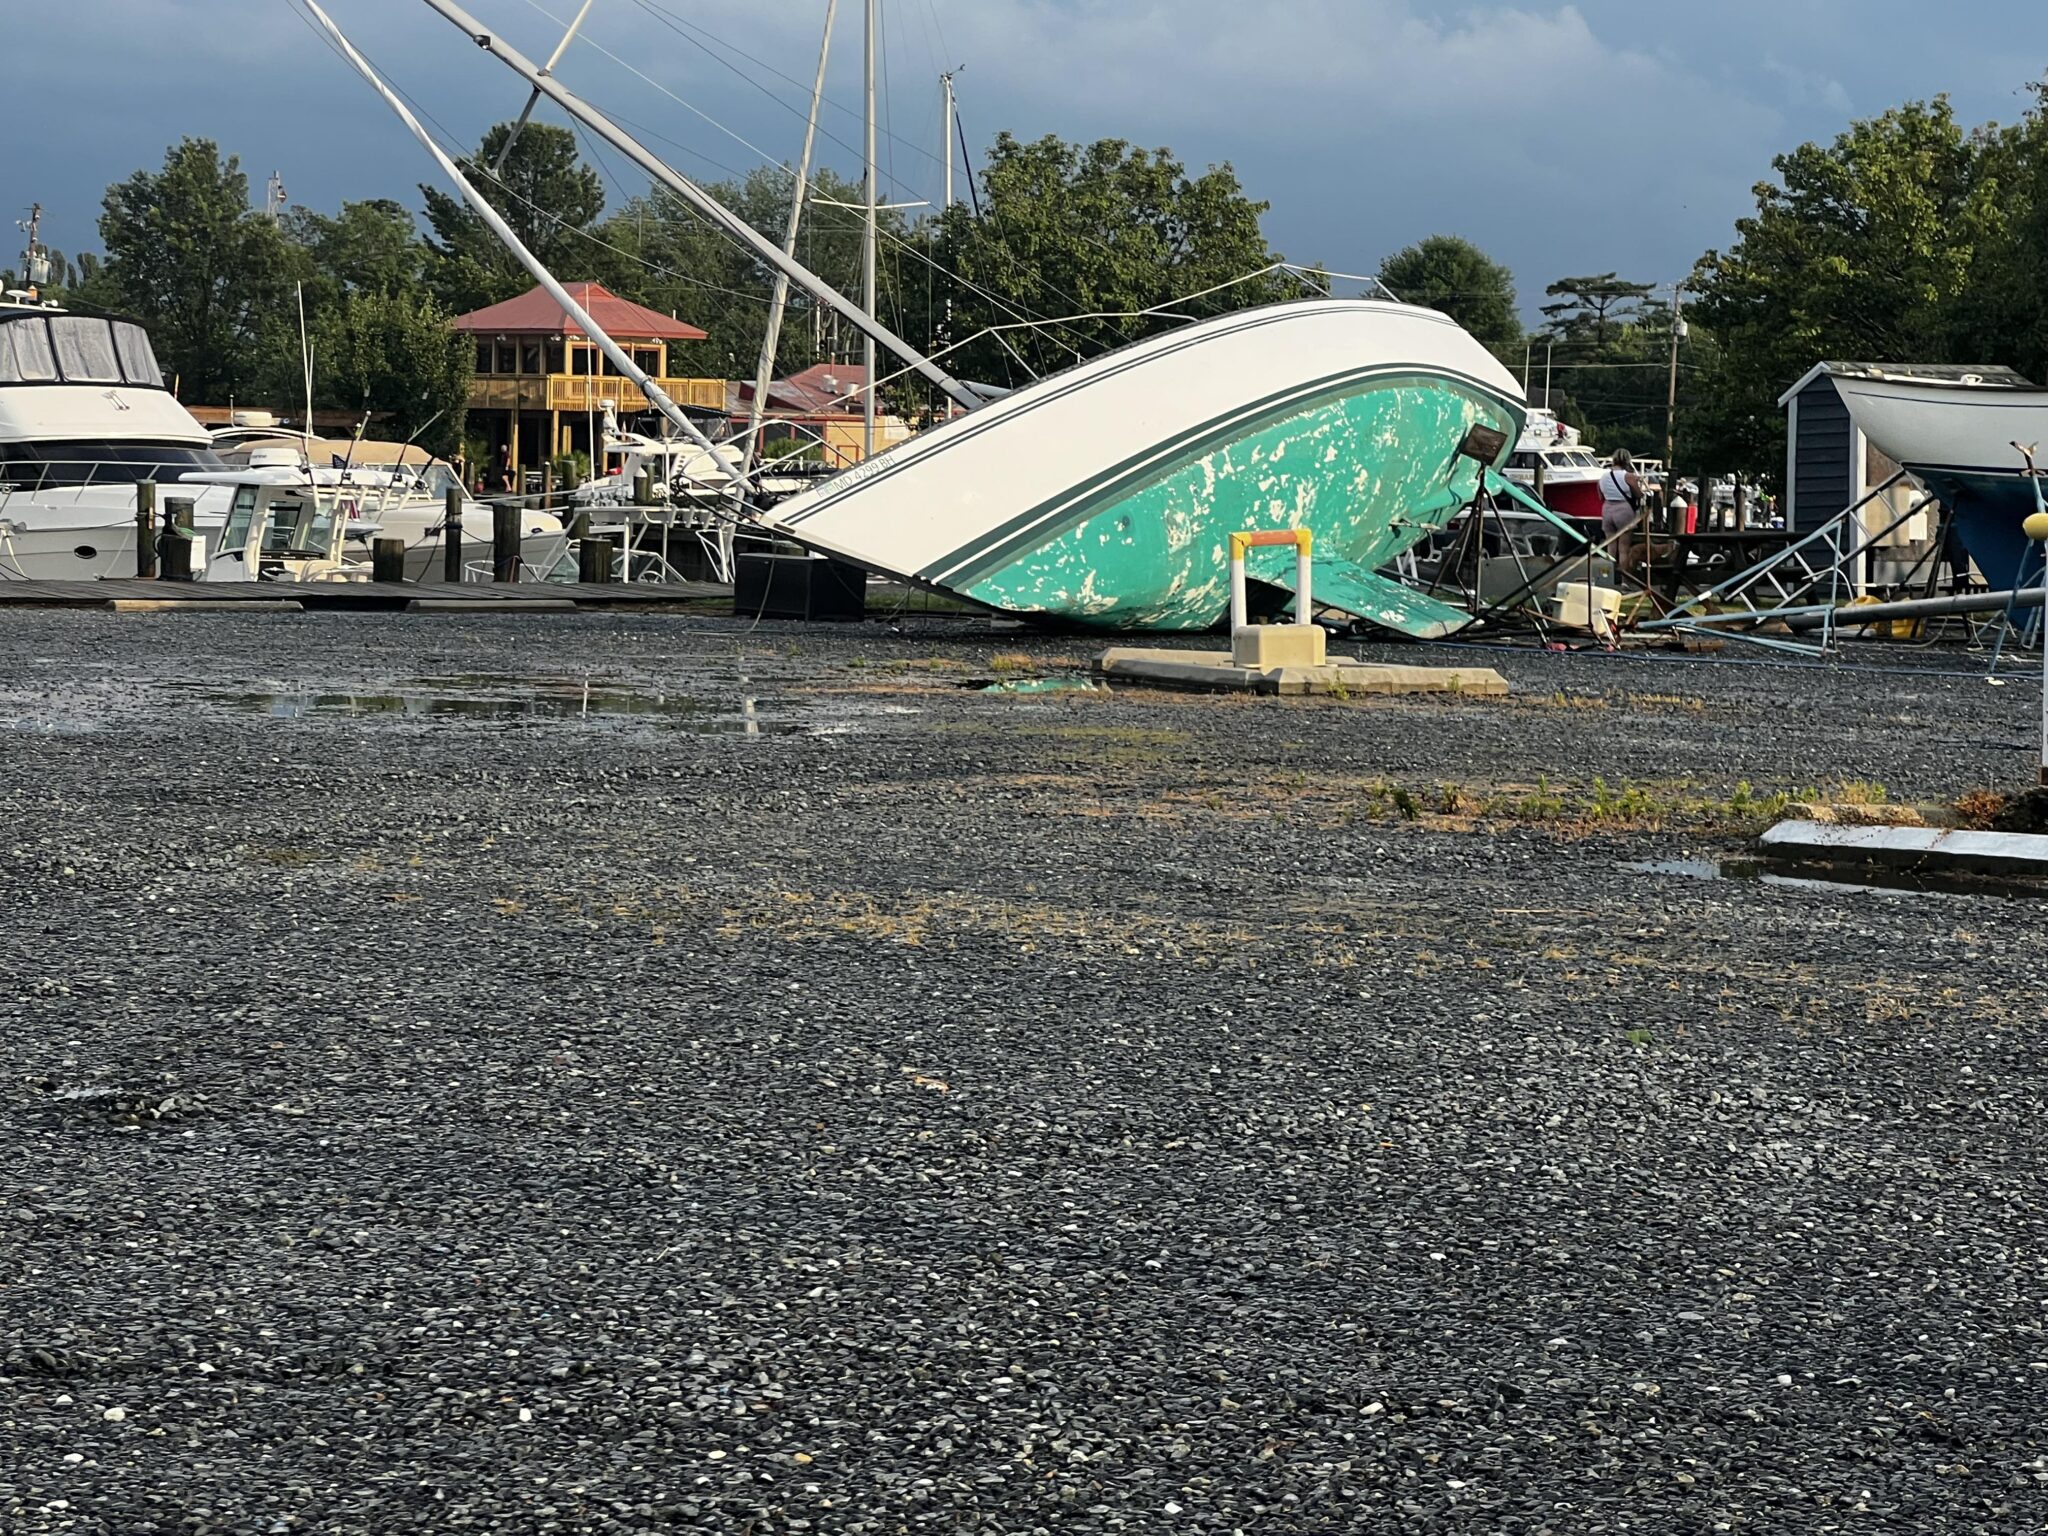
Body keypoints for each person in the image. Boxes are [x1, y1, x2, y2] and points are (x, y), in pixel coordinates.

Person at [1599, 449, 1644, 572]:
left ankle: (1608, 577)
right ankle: (1625, 580)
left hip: (1607, 510)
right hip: (1624, 511)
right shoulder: (1628, 476)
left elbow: (1600, 497)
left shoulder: (1603, 477)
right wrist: (1638, 483)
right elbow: (1639, 495)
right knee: (1623, 548)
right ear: (1627, 461)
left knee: (1610, 547)